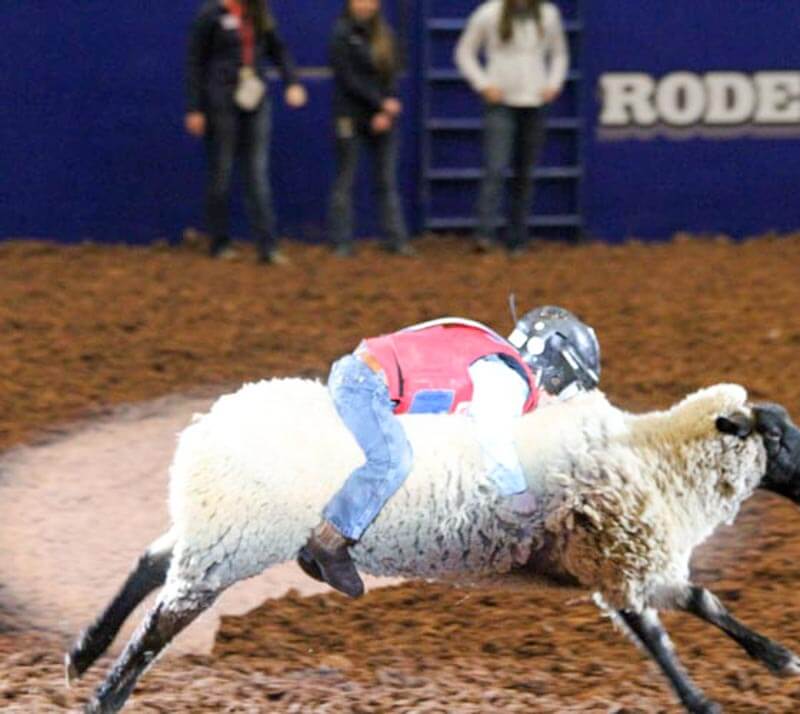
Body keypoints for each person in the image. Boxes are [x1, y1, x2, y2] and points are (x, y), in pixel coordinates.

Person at [300, 306, 601, 597]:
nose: (557, 402)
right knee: (393, 461)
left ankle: (324, 544)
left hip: (368, 382)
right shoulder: (509, 379)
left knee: (411, 465)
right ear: (553, 371)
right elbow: (493, 437)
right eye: (567, 390)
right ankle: (328, 543)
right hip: (365, 384)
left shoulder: (492, 356)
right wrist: (519, 496)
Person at [185, 0, 308, 265]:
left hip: (255, 100)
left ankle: (267, 247)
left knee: (257, 172)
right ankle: (219, 242)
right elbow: (195, 62)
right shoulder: (211, 14)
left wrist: (292, 82)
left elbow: (278, 49)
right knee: (222, 172)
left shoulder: (259, 12)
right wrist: (195, 108)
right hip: (220, 103)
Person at [455, 0, 568, 255]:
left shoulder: (549, 14)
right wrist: (483, 84)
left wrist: (553, 83)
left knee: (524, 172)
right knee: (495, 168)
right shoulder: (488, 13)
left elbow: (559, 53)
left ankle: (517, 237)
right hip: (501, 104)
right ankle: (484, 234)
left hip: (535, 104)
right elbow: (464, 52)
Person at [328, 0, 413, 257]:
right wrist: (380, 104)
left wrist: (386, 110)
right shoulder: (340, 34)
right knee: (345, 179)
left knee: (387, 181)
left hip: (382, 119)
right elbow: (348, 79)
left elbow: (391, 76)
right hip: (349, 116)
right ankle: (341, 242)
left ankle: (396, 240)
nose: (365, 5)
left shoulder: (386, 36)